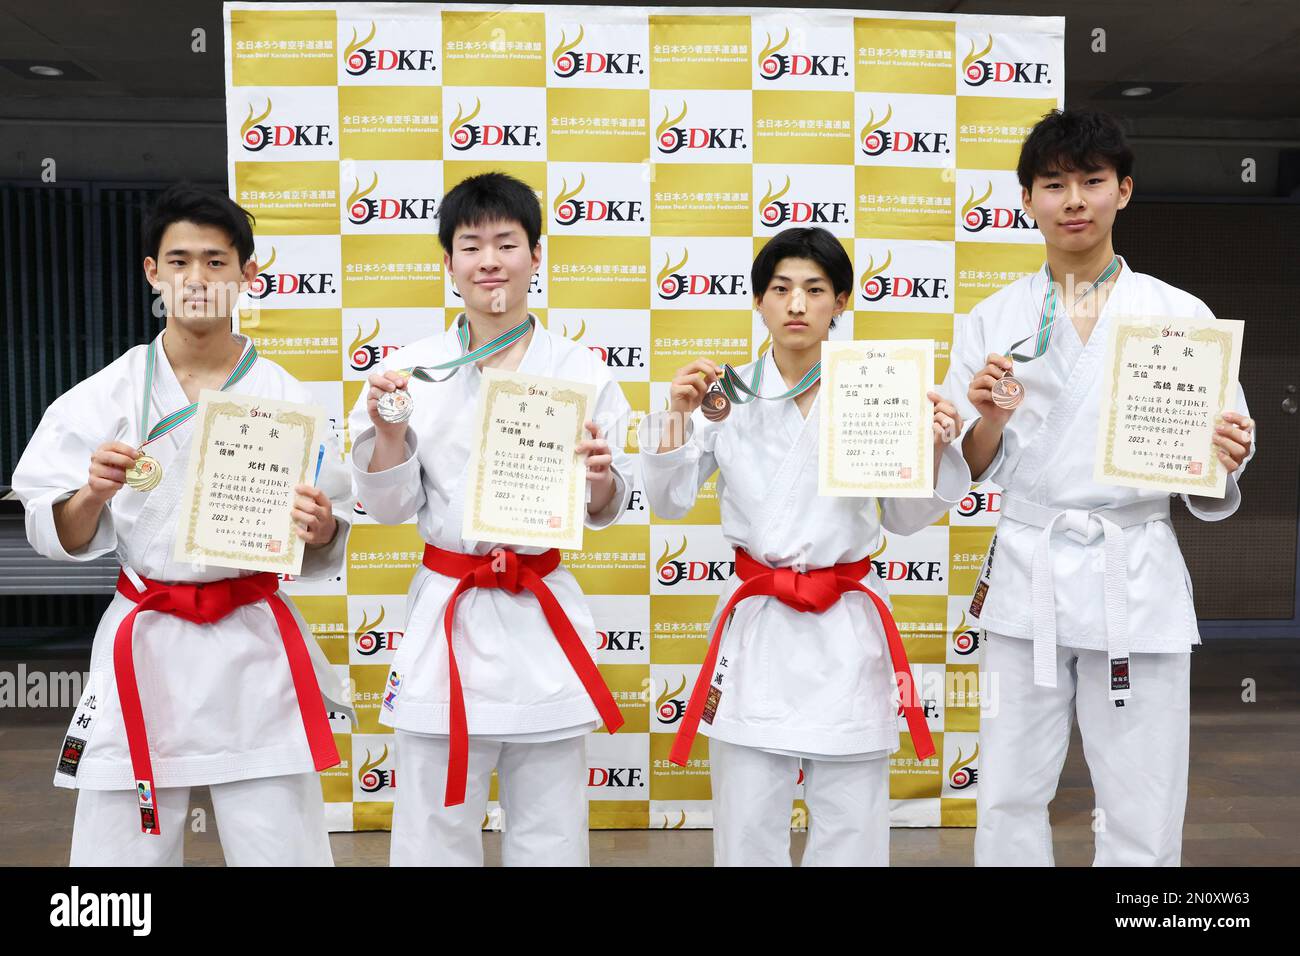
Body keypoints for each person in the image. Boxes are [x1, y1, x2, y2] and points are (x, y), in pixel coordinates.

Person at [941, 109, 1255, 866]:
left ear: (1124, 191)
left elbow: (1213, 469)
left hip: (1133, 565)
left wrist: (1227, 454)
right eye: (1054, 184)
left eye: (1091, 181)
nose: (1073, 199)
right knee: (1012, 785)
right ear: (1028, 200)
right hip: (1031, 565)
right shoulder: (992, 319)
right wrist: (982, 416)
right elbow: (970, 463)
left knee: (1144, 787)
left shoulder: (1179, 315)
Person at [13, 184, 351, 866]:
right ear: (153, 274)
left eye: (217, 262)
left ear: (247, 276)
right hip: (147, 643)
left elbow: (325, 533)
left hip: (249, 644)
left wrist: (318, 531)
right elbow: (56, 532)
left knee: (281, 845)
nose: (198, 279)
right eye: (180, 261)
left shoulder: (288, 398)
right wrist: (91, 493)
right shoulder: (103, 395)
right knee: (119, 856)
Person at [638, 226, 971, 866]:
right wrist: (674, 418)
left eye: (815, 290)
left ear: (841, 302)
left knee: (853, 819)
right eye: (781, 289)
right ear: (759, 301)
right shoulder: (722, 396)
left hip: (845, 624)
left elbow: (902, 518)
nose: (796, 304)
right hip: (759, 623)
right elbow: (669, 500)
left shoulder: (880, 390)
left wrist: (931, 446)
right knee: (748, 818)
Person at [348, 172, 633, 867]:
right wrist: (388, 431)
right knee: (434, 829)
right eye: (470, 245)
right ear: (447, 264)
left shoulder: (582, 370)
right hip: (450, 612)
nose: (489, 260)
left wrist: (598, 477)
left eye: (506, 243)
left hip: (540, 612)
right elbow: (387, 507)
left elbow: (606, 509)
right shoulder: (406, 372)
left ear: (537, 256)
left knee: (551, 828)